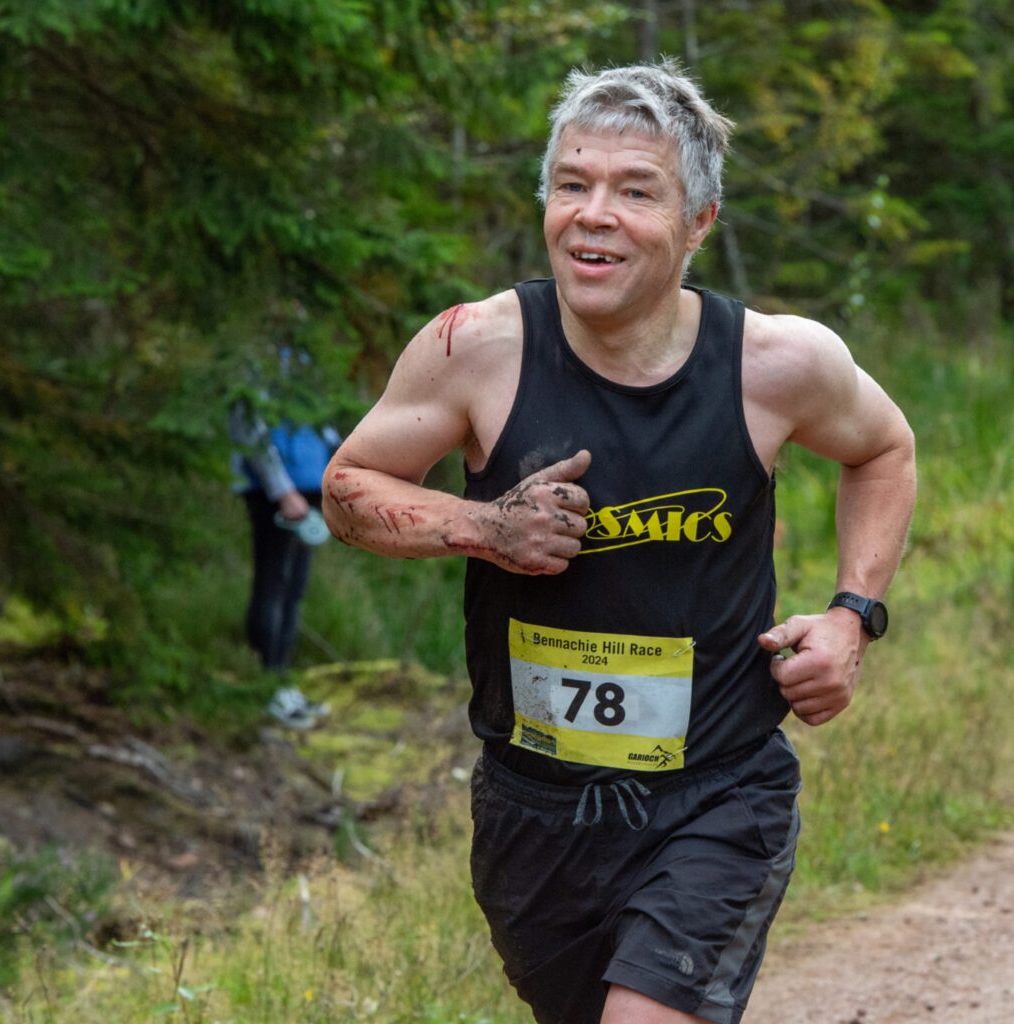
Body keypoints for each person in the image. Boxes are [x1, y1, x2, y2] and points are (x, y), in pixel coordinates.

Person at [324, 61, 916, 1024]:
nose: (593, 213)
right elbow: (347, 489)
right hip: (533, 808)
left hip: (717, 795)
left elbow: (885, 448)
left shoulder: (777, 364)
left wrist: (852, 617)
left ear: (699, 224)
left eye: (636, 191)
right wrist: (485, 527)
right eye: (572, 184)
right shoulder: (476, 346)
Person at [230, 384, 339, 730]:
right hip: (275, 494)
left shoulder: (308, 359)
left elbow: (322, 422)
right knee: (272, 586)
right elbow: (246, 427)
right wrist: (281, 489)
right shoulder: (253, 355)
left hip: (309, 486)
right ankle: (267, 687)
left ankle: (282, 684)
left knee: (293, 590)